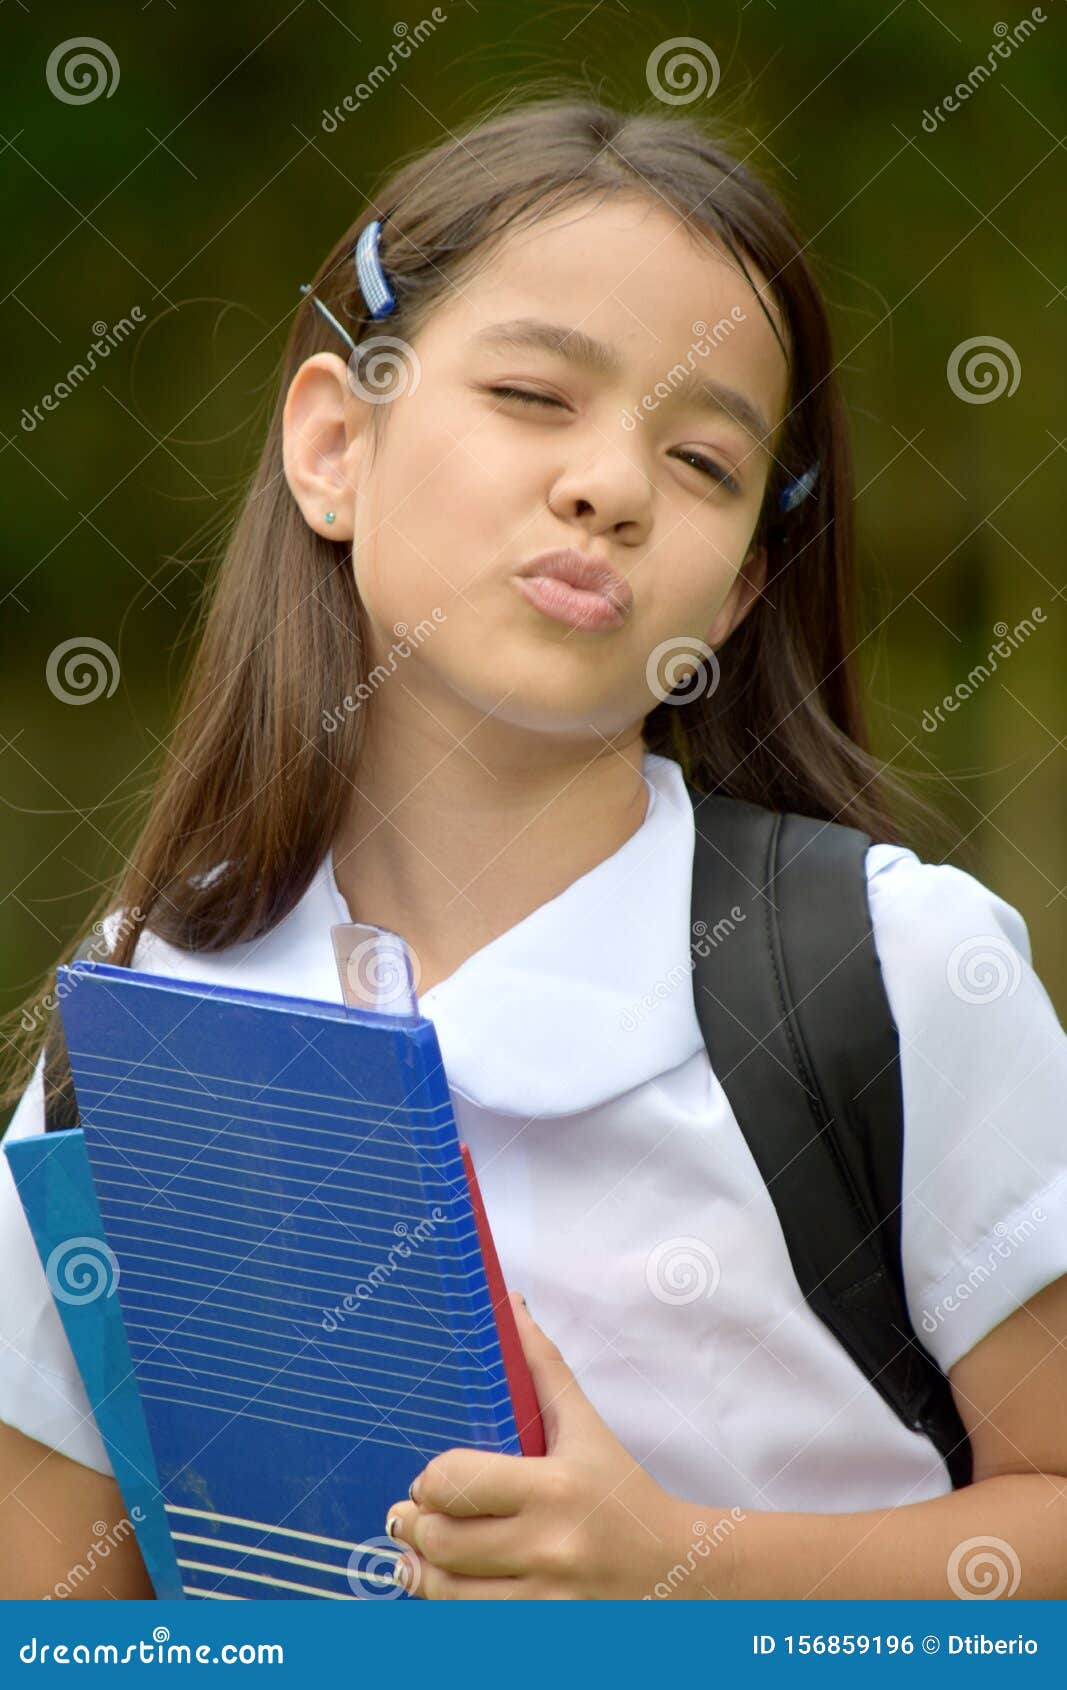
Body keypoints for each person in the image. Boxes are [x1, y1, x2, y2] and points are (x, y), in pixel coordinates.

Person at [1, 93, 1065, 1602]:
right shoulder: (137, 1011)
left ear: (741, 594)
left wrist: (677, 1569)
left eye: (703, 462)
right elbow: (59, 1624)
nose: (612, 487)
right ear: (331, 445)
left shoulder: (889, 968)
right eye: (531, 394)